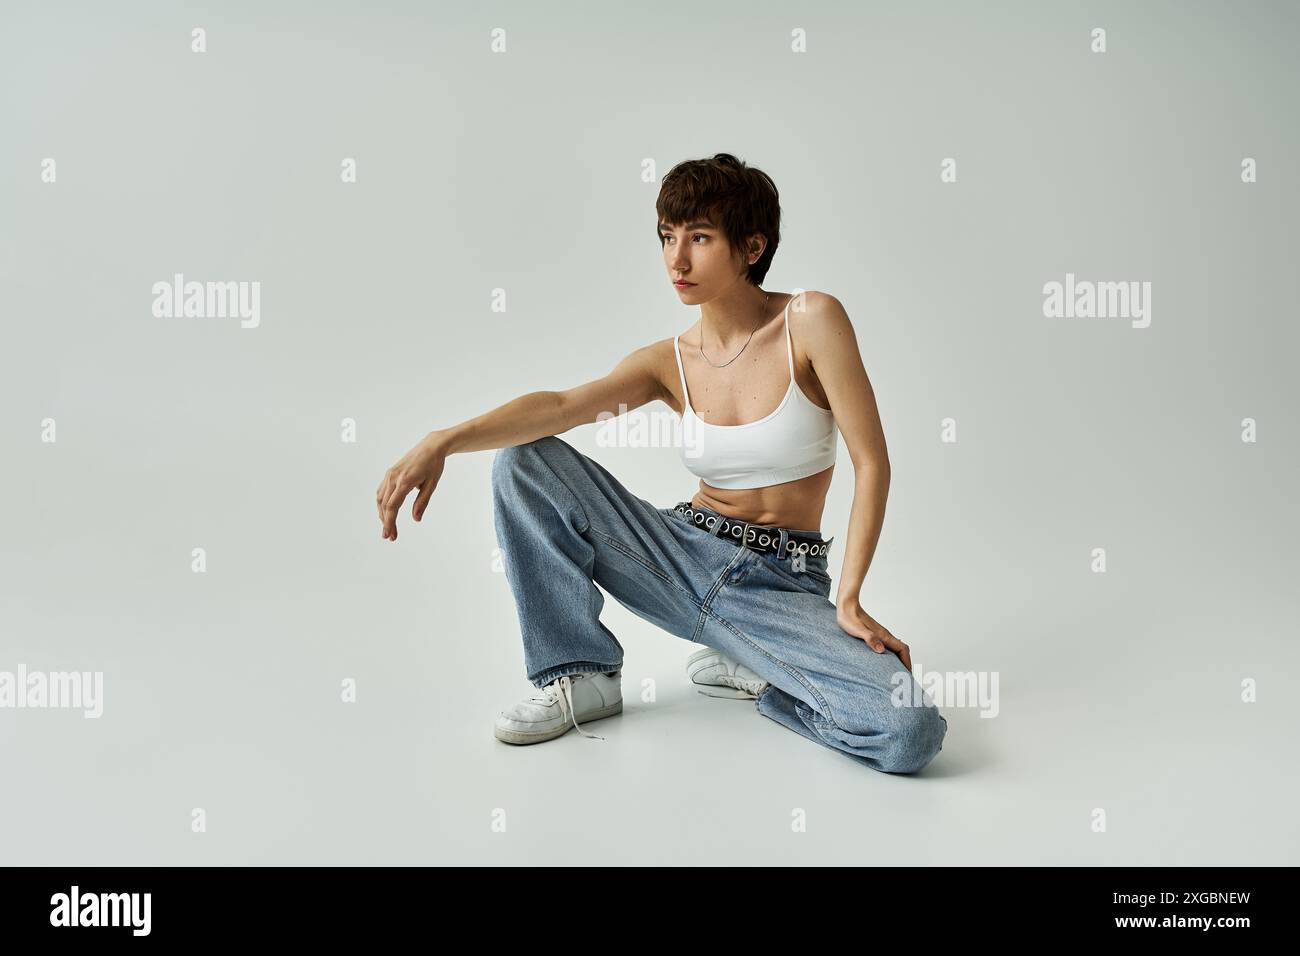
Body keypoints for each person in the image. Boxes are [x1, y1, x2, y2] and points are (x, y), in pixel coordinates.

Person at [375, 153, 947, 773]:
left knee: (908, 731)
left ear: (751, 246)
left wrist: (851, 598)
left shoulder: (810, 321)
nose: (677, 260)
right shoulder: (667, 360)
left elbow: (873, 462)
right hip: (676, 555)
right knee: (525, 462)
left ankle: (757, 668)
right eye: (667, 238)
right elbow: (563, 406)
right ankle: (584, 675)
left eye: (699, 238)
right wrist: (445, 439)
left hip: (779, 584)